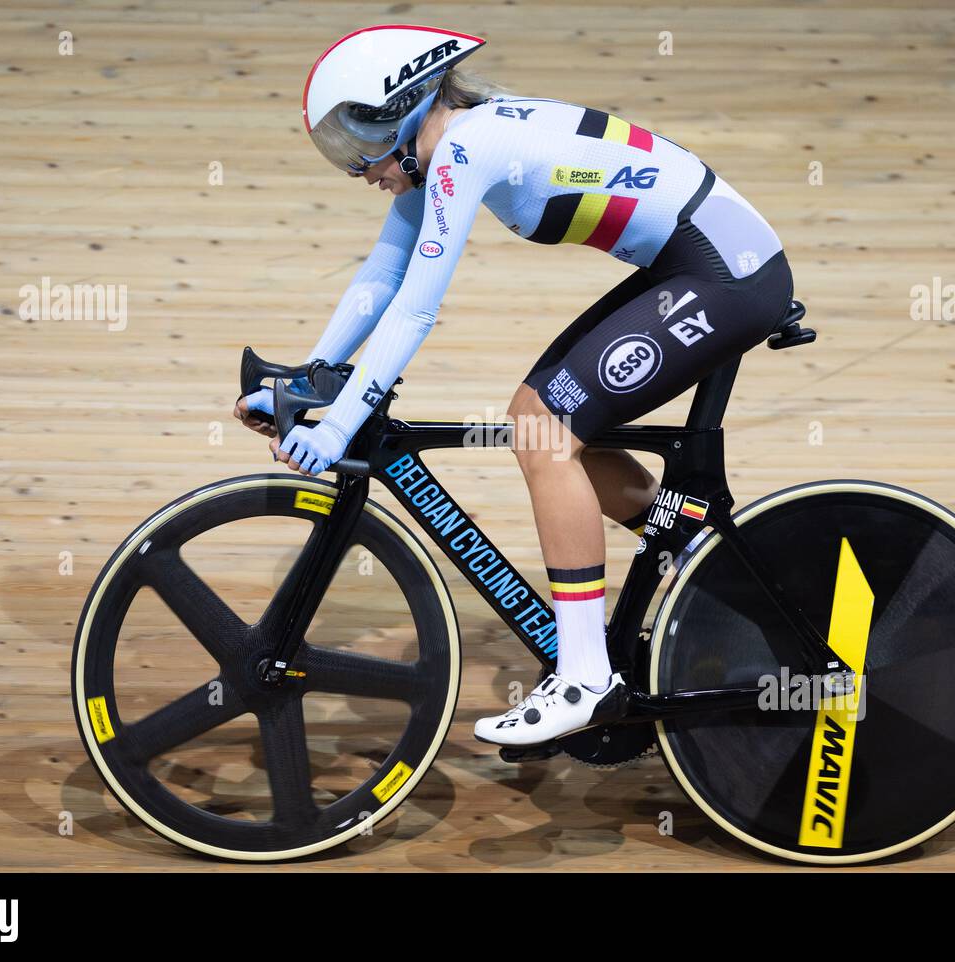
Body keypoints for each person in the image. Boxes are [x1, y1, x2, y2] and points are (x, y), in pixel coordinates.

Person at [235, 24, 793, 747]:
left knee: (545, 432)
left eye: (353, 144)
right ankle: (698, 557)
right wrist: (314, 376)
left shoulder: (466, 149)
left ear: (398, 110)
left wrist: (341, 423)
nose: (354, 168)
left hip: (729, 274)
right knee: (546, 421)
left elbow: (416, 306)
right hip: (699, 263)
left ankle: (587, 679)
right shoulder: (451, 142)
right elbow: (382, 275)